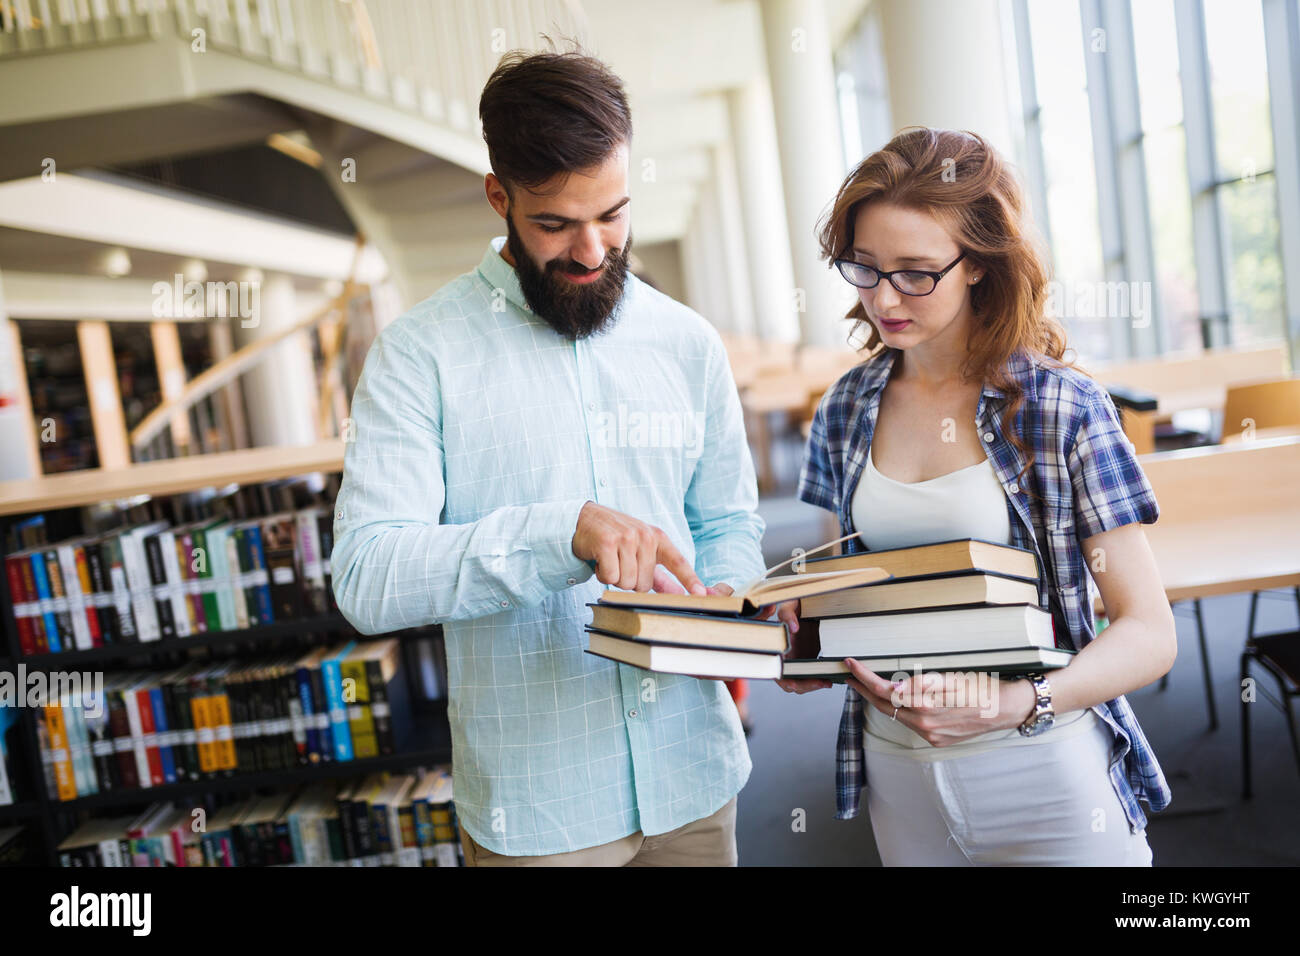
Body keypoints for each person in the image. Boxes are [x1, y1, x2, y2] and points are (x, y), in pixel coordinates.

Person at [330, 49, 771, 866]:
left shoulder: (686, 341)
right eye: (555, 224)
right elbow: (366, 576)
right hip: (541, 812)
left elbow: (726, 519)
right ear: (499, 196)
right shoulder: (417, 356)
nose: (593, 250)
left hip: (696, 774)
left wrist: (730, 595)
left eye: (612, 213)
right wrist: (556, 534)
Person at [774, 127, 1177, 866]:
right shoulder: (843, 408)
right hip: (897, 775)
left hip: (1042, 770)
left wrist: (1019, 703)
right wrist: (811, 630)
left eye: (916, 273)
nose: (884, 298)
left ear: (981, 268)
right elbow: (855, 584)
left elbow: (1150, 632)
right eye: (864, 268)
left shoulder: (1062, 408)